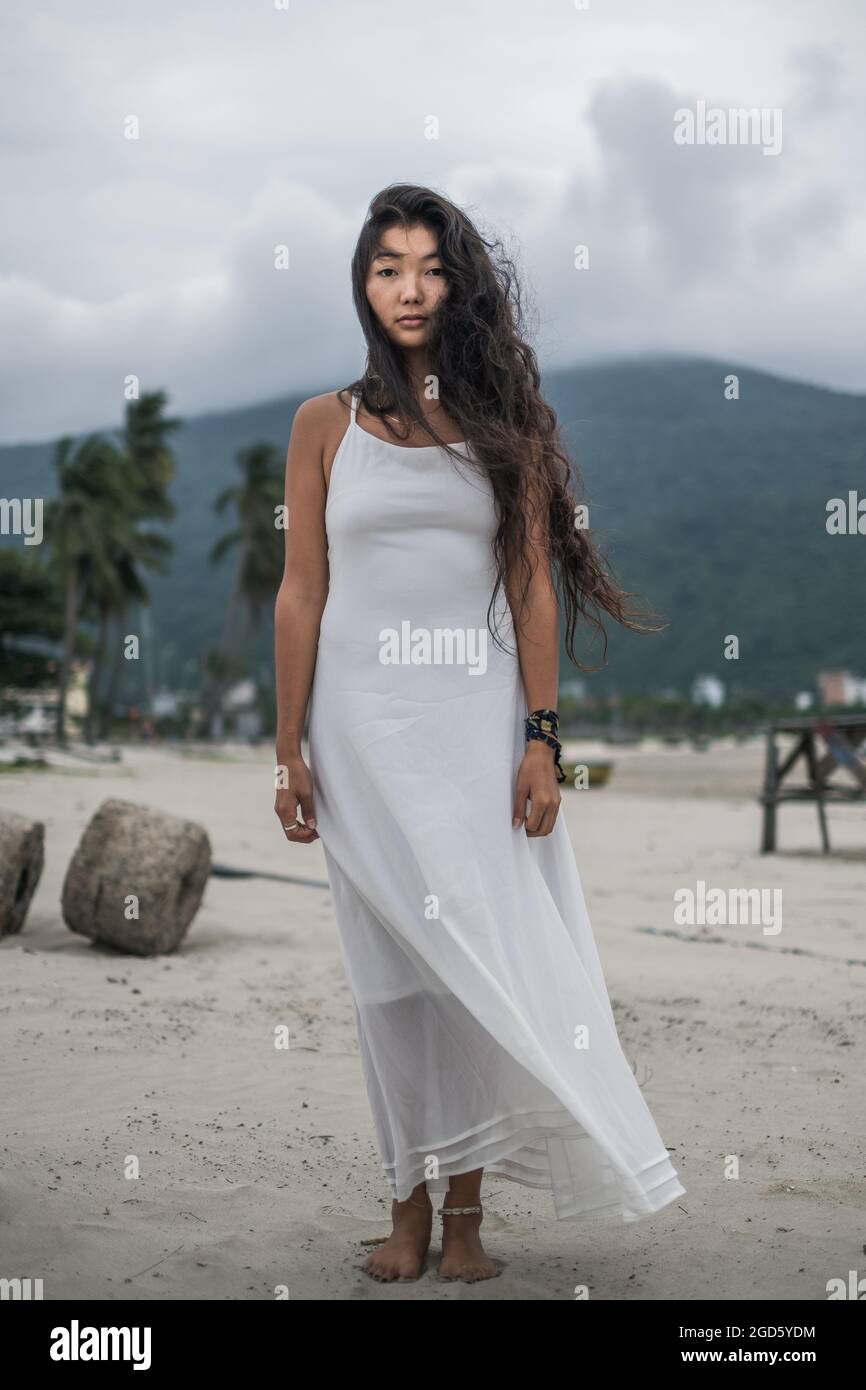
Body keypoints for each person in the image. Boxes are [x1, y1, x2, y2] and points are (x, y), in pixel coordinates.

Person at [274, 184, 685, 1284]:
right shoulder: (324, 425)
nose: (406, 288)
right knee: (390, 979)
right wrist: (287, 747)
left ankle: (463, 1224)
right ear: (361, 287)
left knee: (472, 969)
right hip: (359, 735)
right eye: (383, 268)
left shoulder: (504, 429)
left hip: (473, 728)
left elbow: (533, 593)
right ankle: (404, 1212)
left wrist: (541, 739)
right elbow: (300, 592)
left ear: (458, 282)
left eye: (427, 267)